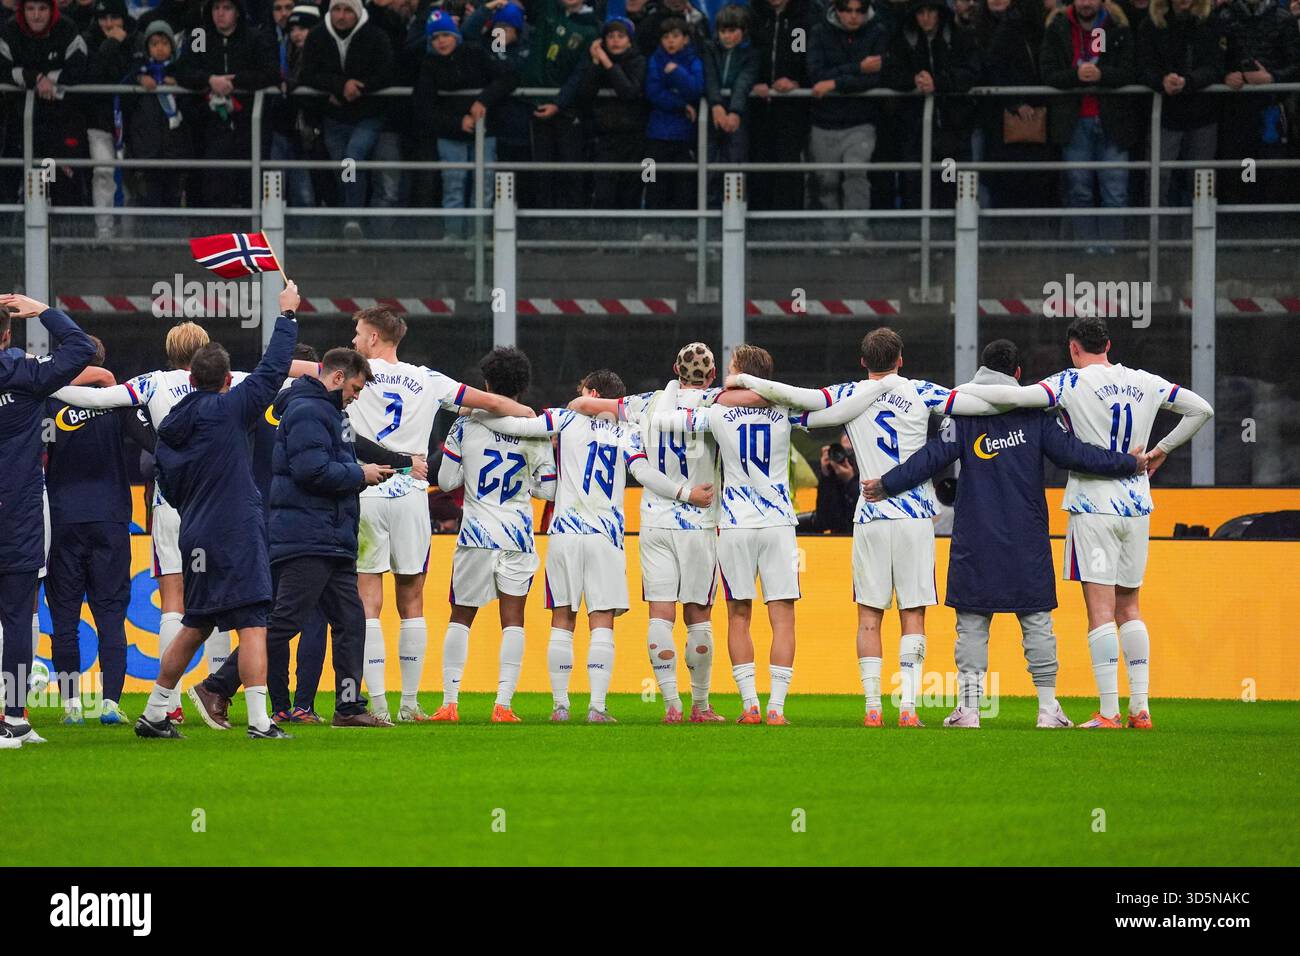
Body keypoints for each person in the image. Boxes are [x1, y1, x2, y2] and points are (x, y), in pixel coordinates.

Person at [863, 339, 1146, 728]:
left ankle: (970, 711)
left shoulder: (962, 414)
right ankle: (1048, 709)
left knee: (972, 624)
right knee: (1037, 622)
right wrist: (1128, 463)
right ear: (1017, 374)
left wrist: (887, 484)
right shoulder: (1036, 413)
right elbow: (1076, 453)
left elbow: (931, 457)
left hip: (975, 535)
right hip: (1026, 535)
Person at [729, 328, 1005, 727]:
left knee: (869, 616)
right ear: (901, 358)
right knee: (913, 614)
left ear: (863, 362)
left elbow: (799, 401)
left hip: (872, 516)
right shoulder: (921, 391)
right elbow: (973, 405)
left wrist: (746, 381)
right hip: (913, 517)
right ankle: (908, 710)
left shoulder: (850, 393)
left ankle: (873, 708)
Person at [954, 316, 1214, 729]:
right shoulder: (1146, 381)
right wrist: (1162, 449)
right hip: (1137, 504)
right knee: (1130, 607)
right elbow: (1202, 409)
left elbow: (1012, 398)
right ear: (1108, 344)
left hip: (1094, 506)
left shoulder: (1068, 383)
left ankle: (1109, 712)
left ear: (1074, 348)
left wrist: (947, 394)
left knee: (1101, 611)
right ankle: (1140, 708)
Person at [53, 324, 317, 722]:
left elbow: (94, 397)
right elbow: (281, 372)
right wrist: (324, 367)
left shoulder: (152, 384)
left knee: (176, 606)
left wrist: (41, 382)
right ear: (209, 359)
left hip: (173, 503)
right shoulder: (232, 388)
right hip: (224, 510)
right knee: (239, 607)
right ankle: (220, 694)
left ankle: (169, 705)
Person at [660, 345, 901, 724]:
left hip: (736, 524)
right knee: (783, 617)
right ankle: (777, 708)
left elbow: (669, 421)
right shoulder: (786, 408)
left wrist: (692, 390)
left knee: (738, 615)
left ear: (739, 372)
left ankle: (749, 705)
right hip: (778, 525)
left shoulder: (718, 409)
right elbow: (831, 411)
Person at [475, 368, 712, 723]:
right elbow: (642, 472)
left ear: (590, 391)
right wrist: (684, 493)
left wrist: (479, 412)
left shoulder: (564, 418)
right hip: (606, 535)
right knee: (601, 620)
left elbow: (516, 427)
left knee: (562, 618)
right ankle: (597, 707)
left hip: (565, 534)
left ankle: (560, 706)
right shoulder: (626, 429)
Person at [187, 348, 397, 730]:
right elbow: (309, 471)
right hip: (306, 535)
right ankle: (215, 686)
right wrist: (359, 475)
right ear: (336, 378)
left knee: (350, 620)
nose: (356, 395)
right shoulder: (308, 411)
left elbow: (331, 469)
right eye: (354, 387)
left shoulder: (330, 414)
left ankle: (348, 706)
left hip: (330, 535)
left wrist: (364, 474)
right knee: (284, 622)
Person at [346, 307, 533, 723]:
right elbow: (488, 400)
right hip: (412, 495)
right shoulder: (428, 379)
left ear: (374, 338)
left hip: (369, 491)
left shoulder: (353, 371)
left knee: (368, 602)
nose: (354, 340)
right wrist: (525, 415)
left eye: (358, 333)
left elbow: (299, 369)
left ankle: (377, 704)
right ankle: (410, 703)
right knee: (412, 601)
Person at [135, 283, 302, 740]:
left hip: (195, 531)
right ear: (228, 380)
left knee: (195, 621)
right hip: (237, 530)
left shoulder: (170, 427)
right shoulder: (233, 409)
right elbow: (272, 370)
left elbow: (166, 483)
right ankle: (260, 722)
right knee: (253, 621)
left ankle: (153, 714)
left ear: (190, 380)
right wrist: (286, 316)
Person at [570, 343, 764, 723]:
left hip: (655, 521)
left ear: (675, 368)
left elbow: (586, 407)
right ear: (710, 376)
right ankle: (701, 706)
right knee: (699, 615)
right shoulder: (717, 403)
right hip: (701, 522)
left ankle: (671, 705)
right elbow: (762, 398)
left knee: (660, 614)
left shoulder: (647, 403)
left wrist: (585, 404)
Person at [430, 347, 557, 723]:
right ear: (522, 387)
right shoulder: (533, 432)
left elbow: (445, 480)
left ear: (486, 384)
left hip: (476, 534)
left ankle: (450, 703)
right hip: (517, 535)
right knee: (513, 619)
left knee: (460, 616)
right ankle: (503, 705)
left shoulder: (465, 425)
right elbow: (547, 490)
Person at [44, 336, 155, 726]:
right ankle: (109, 704)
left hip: (63, 519)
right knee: (110, 614)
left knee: (65, 617)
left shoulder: (51, 400)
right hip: (109, 518)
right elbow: (152, 442)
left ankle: (73, 705)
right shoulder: (118, 400)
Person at [0, 295, 95, 749]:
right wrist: (42, 310)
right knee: (18, 618)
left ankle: (14, 721)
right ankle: (13, 715)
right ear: (6, 334)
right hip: (17, 514)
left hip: (17, 512)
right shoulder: (25, 374)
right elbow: (81, 349)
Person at [1039, 0, 1139, 251]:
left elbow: (1130, 71)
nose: (1086, 3)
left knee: (1115, 193)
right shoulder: (1057, 28)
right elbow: (1047, 73)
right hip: (1074, 124)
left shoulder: (1116, 27)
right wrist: (1075, 76)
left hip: (1112, 122)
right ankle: (1087, 251)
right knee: (1079, 191)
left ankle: (1112, 252)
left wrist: (1101, 75)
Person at [412, 8, 518, 234]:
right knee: (453, 185)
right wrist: (457, 122)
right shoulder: (428, 65)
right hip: (451, 136)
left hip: (485, 132)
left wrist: (483, 101)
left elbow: (507, 78)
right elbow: (424, 109)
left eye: (445, 35)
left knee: (484, 187)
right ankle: (454, 237)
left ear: (455, 35)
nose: (441, 41)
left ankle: (477, 238)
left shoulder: (475, 52)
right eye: (435, 37)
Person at [300, 0, 395, 239]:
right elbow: (308, 74)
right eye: (337, 10)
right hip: (334, 117)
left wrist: (360, 88)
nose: (341, 16)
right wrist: (339, 85)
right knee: (341, 168)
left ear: (358, 12)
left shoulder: (376, 36)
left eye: (347, 10)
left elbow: (387, 73)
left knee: (352, 158)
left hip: (368, 114)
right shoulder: (317, 36)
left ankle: (353, 218)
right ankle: (348, 221)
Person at [173, 0, 279, 209]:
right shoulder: (200, 36)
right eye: (216, 8)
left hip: (249, 124)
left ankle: (251, 237)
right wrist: (210, 80)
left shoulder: (254, 37)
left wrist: (235, 82)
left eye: (227, 8)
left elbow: (270, 73)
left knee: (250, 185)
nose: (220, 14)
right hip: (208, 124)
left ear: (238, 12)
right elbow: (184, 71)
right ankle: (218, 238)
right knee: (214, 187)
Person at [807, 0, 890, 239]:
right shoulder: (816, 31)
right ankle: (831, 234)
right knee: (827, 182)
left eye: (859, 11)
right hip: (824, 121)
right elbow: (813, 74)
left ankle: (858, 230)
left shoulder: (879, 31)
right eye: (847, 11)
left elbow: (878, 78)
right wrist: (859, 68)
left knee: (856, 172)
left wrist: (835, 83)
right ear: (837, 10)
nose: (853, 17)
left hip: (861, 120)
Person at [887, 0, 979, 209]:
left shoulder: (958, 36)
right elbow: (890, 73)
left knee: (950, 188)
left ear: (939, 12)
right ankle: (920, 240)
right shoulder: (903, 39)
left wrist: (938, 82)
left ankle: (949, 239)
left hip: (952, 133)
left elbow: (972, 72)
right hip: (915, 133)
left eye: (930, 11)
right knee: (916, 191)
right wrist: (913, 80)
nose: (926, 17)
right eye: (921, 12)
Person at [1136, 0, 1223, 212]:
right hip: (1165, 114)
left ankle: (1202, 239)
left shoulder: (1210, 22)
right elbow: (1142, 66)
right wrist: (1162, 81)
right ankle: (1157, 240)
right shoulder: (1151, 25)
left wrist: (1189, 81)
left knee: (1201, 179)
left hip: (1202, 113)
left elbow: (1216, 65)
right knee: (1159, 178)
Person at [0, 0, 89, 206]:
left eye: (42, 9)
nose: (36, 15)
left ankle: (61, 236)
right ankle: (18, 236)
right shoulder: (9, 30)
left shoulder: (66, 28)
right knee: (19, 187)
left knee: (59, 185)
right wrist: (35, 78)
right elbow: (2, 70)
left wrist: (49, 81)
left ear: (52, 10)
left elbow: (79, 68)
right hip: (19, 126)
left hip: (58, 125)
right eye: (31, 9)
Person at [1213, 0, 1300, 206]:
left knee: (1274, 166)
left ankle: (1272, 217)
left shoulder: (1283, 18)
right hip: (1238, 110)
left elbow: (1296, 65)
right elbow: (1213, 59)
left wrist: (1271, 78)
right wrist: (1225, 76)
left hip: (1273, 108)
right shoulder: (1225, 18)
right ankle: (1246, 215)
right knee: (1245, 166)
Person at [557, 16, 647, 209]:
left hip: (634, 137)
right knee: (604, 192)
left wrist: (607, 62)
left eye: (620, 36)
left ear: (630, 40)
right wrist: (597, 63)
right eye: (611, 36)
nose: (615, 40)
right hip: (605, 138)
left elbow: (629, 91)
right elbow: (585, 95)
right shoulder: (597, 64)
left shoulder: (639, 62)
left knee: (631, 192)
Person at [525, 0, 601, 209]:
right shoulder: (547, 11)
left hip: (569, 111)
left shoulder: (592, 27)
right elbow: (500, 45)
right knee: (541, 172)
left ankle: (570, 226)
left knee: (570, 170)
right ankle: (542, 224)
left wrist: (559, 103)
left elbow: (581, 73)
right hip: (535, 103)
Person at [747, 0, 810, 211]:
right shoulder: (753, 17)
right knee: (759, 169)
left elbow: (804, 57)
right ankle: (758, 233)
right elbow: (744, 55)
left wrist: (796, 82)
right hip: (757, 109)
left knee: (788, 169)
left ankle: (788, 231)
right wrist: (752, 82)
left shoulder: (801, 20)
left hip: (792, 109)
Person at [81, 0, 136, 241]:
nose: (109, 23)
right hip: (99, 121)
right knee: (103, 173)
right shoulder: (87, 39)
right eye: (103, 18)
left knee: (132, 178)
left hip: (133, 123)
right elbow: (91, 75)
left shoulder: (137, 37)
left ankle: (129, 236)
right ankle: (104, 233)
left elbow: (137, 71)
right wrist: (111, 44)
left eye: (114, 17)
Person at [127, 20, 193, 209]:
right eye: (154, 44)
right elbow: (124, 99)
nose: (160, 49)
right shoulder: (138, 72)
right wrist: (139, 78)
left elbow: (191, 109)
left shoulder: (182, 71)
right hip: (147, 155)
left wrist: (179, 84)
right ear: (147, 48)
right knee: (148, 206)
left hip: (175, 154)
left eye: (165, 43)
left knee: (172, 204)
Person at [643, 16, 704, 214]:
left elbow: (696, 89)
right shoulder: (654, 60)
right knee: (651, 178)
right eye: (666, 37)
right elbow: (653, 92)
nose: (670, 41)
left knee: (683, 185)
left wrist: (677, 73)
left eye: (676, 36)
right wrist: (681, 104)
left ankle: (681, 233)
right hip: (655, 134)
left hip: (684, 136)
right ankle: (652, 229)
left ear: (685, 39)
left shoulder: (694, 60)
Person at [702, 4, 758, 206]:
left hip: (738, 116)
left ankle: (735, 217)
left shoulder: (751, 54)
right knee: (708, 167)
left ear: (743, 31)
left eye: (732, 31)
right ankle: (707, 220)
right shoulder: (709, 48)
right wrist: (716, 105)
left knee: (735, 166)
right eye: (723, 31)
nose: (727, 36)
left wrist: (734, 112)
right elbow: (710, 78)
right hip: (710, 115)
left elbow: (744, 82)